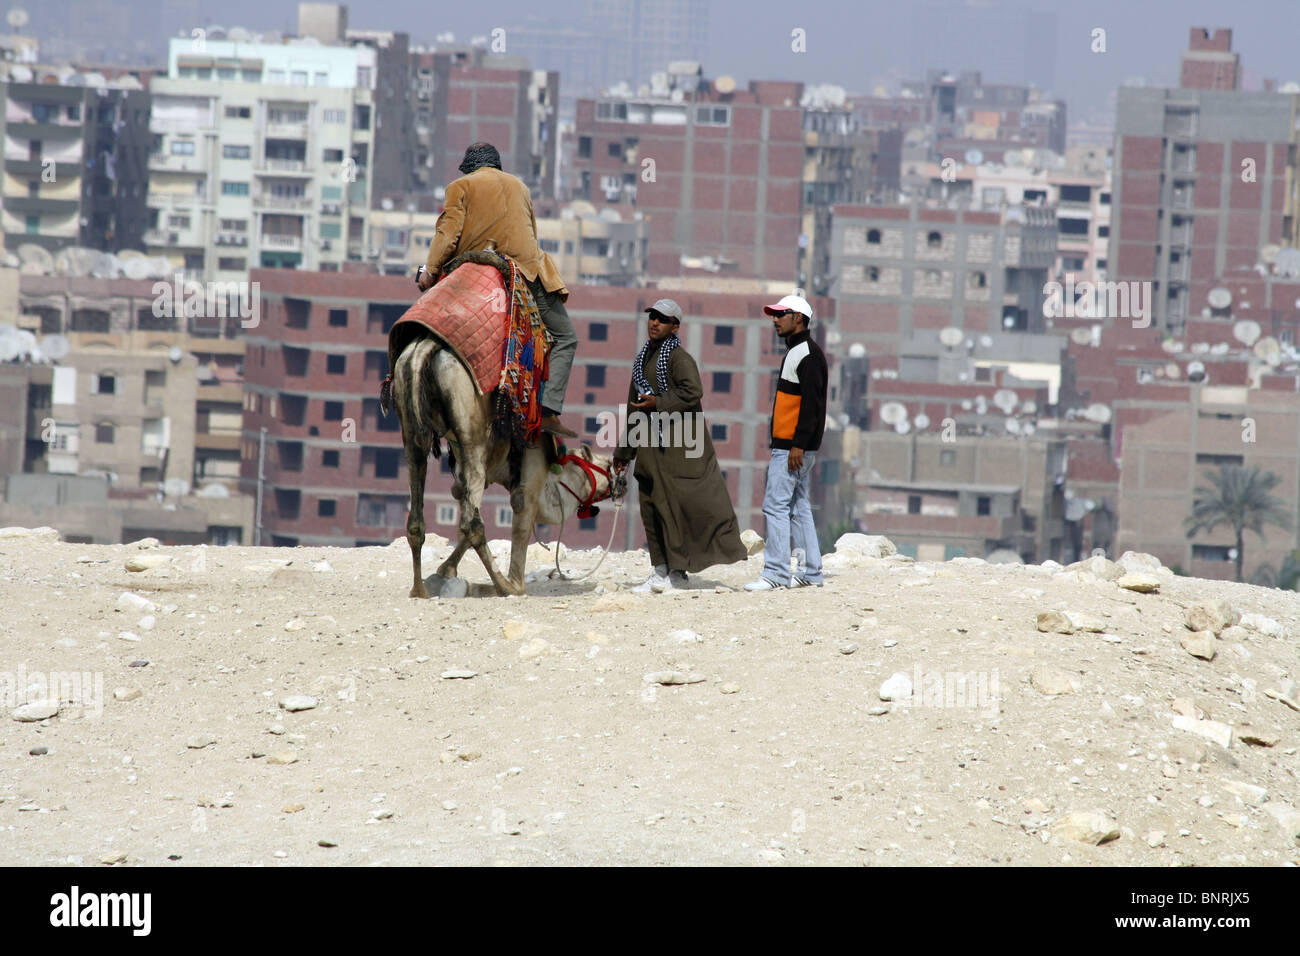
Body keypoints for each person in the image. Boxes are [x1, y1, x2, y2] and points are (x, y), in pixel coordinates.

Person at [418, 142, 578, 437]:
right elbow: (531, 235)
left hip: (476, 269)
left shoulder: (460, 186)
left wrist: (428, 271)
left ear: (471, 167)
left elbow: (448, 234)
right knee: (566, 337)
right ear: (496, 165)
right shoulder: (521, 187)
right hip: (526, 275)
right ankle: (549, 411)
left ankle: (421, 399)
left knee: (427, 320)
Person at [613, 299, 746, 592]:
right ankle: (660, 570)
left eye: (662, 319)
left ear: (675, 326)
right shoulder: (643, 359)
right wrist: (624, 452)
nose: (654, 323)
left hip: (675, 448)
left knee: (670, 508)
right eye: (652, 317)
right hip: (649, 446)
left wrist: (659, 402)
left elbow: (692, 391)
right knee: (650, 507)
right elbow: (634, 407)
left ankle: (676, 572)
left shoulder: (678, 358)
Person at [745, 293, 828, 591]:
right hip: (793, 446)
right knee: (798, 506)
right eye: (774, 315)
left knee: (775, 506)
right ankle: (811, 572)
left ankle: (776, 574)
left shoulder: (807, 353)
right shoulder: (799, 351)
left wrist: (798, 444)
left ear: (799, 319)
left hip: (792, 447)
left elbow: (812, 405)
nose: (775, 320)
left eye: (781, 314)